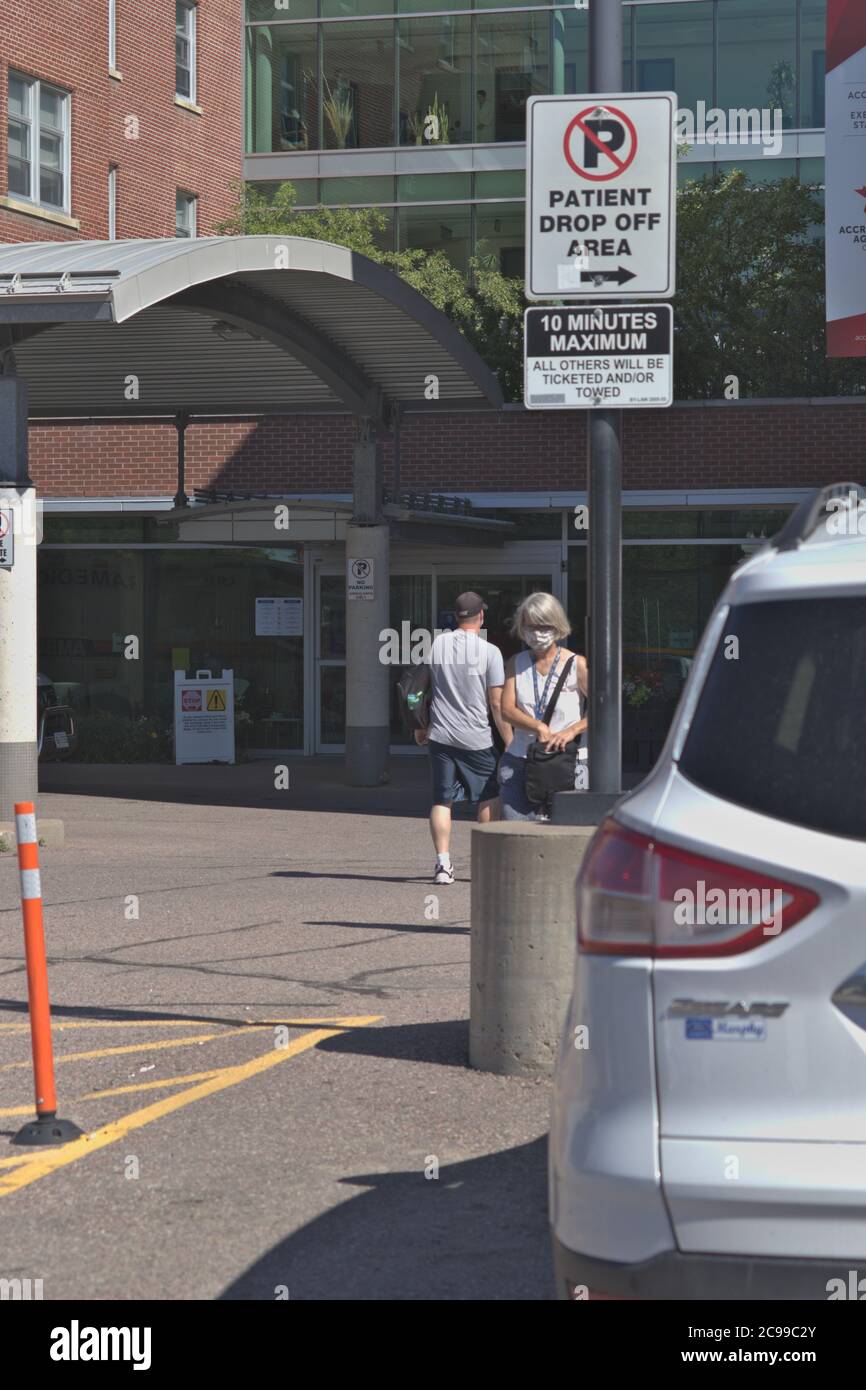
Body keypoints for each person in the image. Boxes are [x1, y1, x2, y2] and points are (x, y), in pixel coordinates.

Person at [415, 591, 511, 884]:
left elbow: (422, 689)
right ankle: (482, 866)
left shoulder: (437, 645)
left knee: (441, 800)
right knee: (487, 797)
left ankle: (443, 865)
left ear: (457, 617)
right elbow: (496, 703)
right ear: (481, 616)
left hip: (440, 735)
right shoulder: (490, 652)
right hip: (476, 738)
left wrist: (420, 726)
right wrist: (509, 740)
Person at [499, 592, 588, 821]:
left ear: (557, 626)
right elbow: (507, 710)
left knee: (562, 834)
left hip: (562, 763)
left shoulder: (576, 664)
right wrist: (537, 726)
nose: (537, 633)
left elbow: (601, 710)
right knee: (516, 836)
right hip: (520, 761)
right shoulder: (515, 664)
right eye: (530, 626)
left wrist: (572, 730)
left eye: (544, 626)